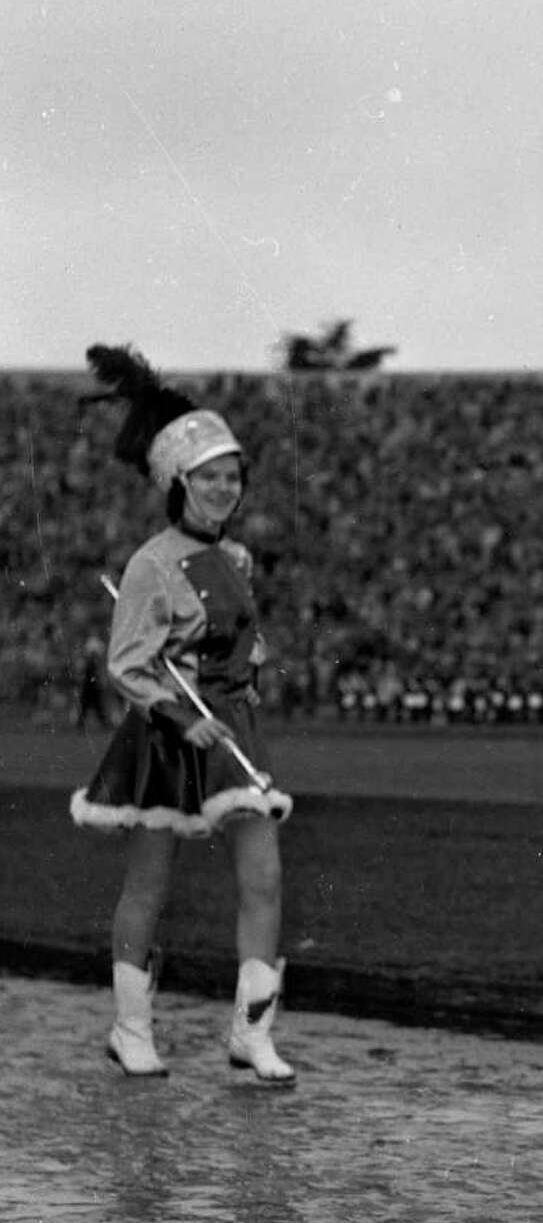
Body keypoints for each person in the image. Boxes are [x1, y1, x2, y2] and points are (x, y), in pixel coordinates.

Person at [69, 346, 296, 1083]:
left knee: (264, 879)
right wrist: (180, 715)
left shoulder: (239, 558)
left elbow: (241, 641)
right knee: (150, 887)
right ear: (178, 483)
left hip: (230, 731)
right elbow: (129, 663)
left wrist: (247, 668)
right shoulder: (149, 564)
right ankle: (131, 1031)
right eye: (210, 478)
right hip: (169, 736)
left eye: (233, 477)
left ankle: (251, 1036)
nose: (225, 489)